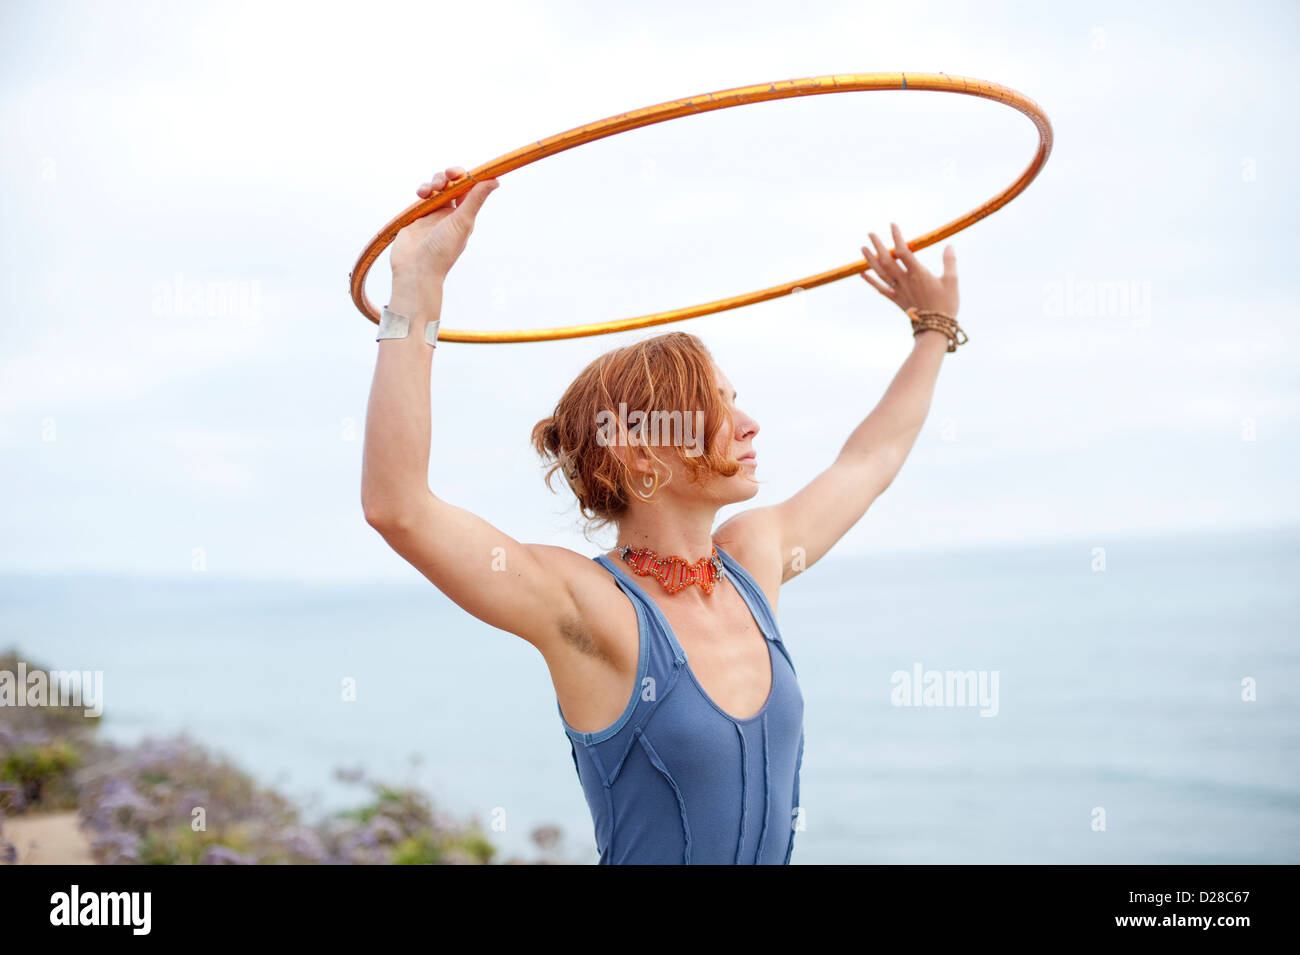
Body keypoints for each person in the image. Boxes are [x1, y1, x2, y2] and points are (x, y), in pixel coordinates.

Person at [361, 164, 963, 864]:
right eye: (718, 405)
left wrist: (933, 328)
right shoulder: (587, 606)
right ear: (644, 454)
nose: (749, 424)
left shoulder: (755, 560)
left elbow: (870, 461)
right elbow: (398, 506)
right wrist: (417, 284)